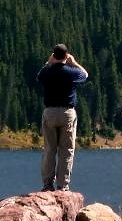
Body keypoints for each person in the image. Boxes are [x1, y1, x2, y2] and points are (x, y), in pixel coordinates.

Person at [36, 43, 88, 191]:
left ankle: (47, 185)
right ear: (66, 56)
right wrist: (74, 62)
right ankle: (62, 186)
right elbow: (85, 74)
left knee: (49, 150)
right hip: (67, 113)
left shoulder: (47, 72)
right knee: (66, 151)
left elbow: (38, 76)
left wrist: (48, 62)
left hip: (50, 112)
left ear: (54, 55)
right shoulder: (71, 72)